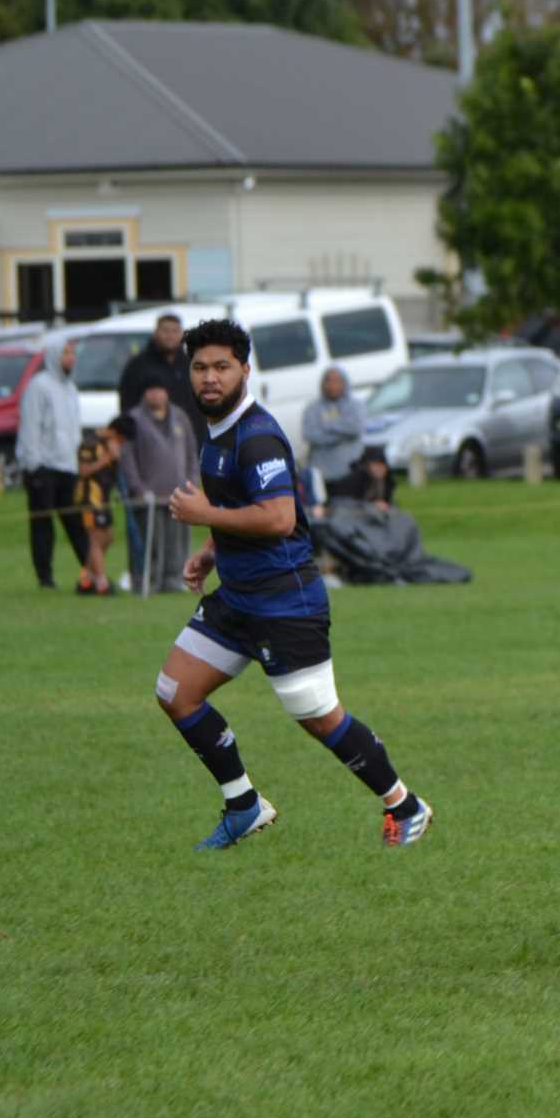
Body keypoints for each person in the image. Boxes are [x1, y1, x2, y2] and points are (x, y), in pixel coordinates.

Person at [155, 318, 433, 850]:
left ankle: (405, 805)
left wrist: (204, 515)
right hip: (238, 599)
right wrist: (212, 549)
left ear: (245, 370)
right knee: (175, 691)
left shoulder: (256, 436)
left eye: (222, 367)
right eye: (200, 367)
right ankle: (243, 805)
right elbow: (242, 506)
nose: (210, 378)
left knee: (318, 717)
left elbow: (280, 517)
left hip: (285, 602)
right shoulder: (217, 432)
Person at [116, 373, 201, 595]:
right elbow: (127, 458)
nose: (156, 394)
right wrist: (138, 488)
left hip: (178, 495)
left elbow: (192, 453)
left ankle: (173, 581)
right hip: (148, 497)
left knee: (176, 542)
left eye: (160, 390)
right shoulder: (134, 419)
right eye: (151, 390)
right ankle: (147, 581)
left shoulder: (180, 417)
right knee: (150, 543)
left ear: (166, 392)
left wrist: (192, 484)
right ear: (145, 394)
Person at [18, 338, 91, 591]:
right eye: (66, 353)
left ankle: (92, 570)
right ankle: (45, 577)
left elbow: (73, 429)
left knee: (75, 523)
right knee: (42, 524)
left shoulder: (70, 388)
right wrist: (33, 465)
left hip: (67, 467)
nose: (71, 358)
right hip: (43, 467)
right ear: (54, 355)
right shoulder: (39, 386)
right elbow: (30, 427)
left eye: (72, 353)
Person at [73, 424, 121, 595]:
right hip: (89, 500)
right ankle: (101, 583)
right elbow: (83, 470)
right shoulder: (89, 445)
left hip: (103, 500)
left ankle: (86, 579)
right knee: (95, 539)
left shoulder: (109, 446)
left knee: (108, 537)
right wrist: (105, 460)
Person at [302, 367, 367, 482]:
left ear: (345, 383)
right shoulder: (312, 408)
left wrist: (328, 424)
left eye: (337, 381)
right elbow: (310, 435)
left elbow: (356, 428)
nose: (332, 385)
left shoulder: (356, 405)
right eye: (328, 381)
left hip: (353, 470)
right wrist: (344, 435)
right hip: (323, 473)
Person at [325, 444, 396, 510]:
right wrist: (373, 504)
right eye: (376, 465)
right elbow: (351, 500)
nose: (379, 469)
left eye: (382, 466)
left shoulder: (388, 481)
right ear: (368, 466)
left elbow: (386, 500)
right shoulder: (358, 478)